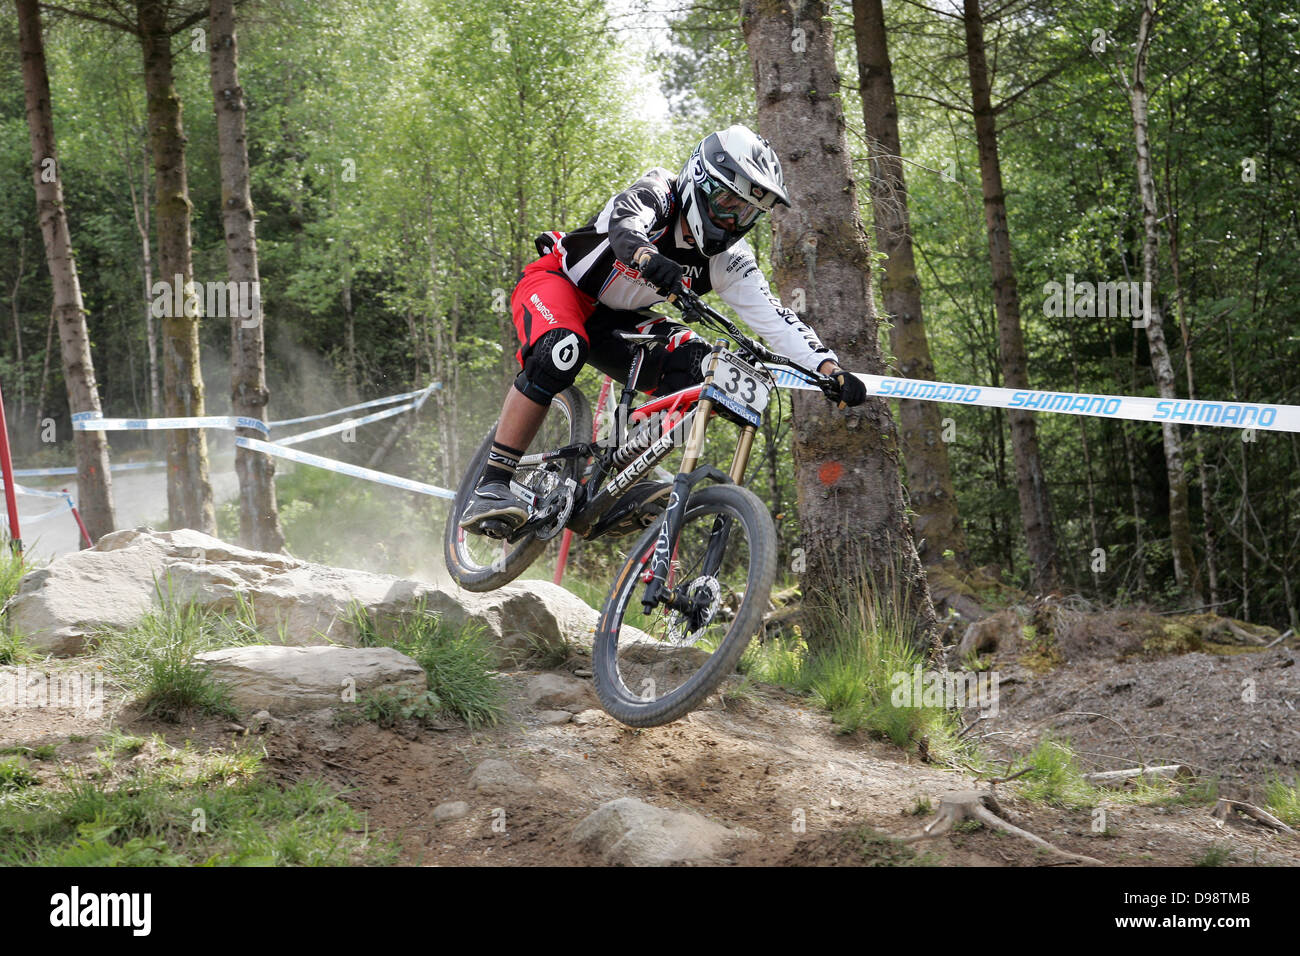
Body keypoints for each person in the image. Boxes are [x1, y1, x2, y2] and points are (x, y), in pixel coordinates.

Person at [460, 124, 868, 534]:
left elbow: (774, 318)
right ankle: (492, 483)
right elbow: (626, 226)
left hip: (623, 321)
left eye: (745, 213)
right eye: (726, 202)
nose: (731, 220)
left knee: (711, 375)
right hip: (561, 284)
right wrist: (645, 255)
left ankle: (617, 476)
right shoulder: (658, 191)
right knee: (560, 350)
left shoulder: (729, 259)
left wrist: (828, 369)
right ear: (699, 180)